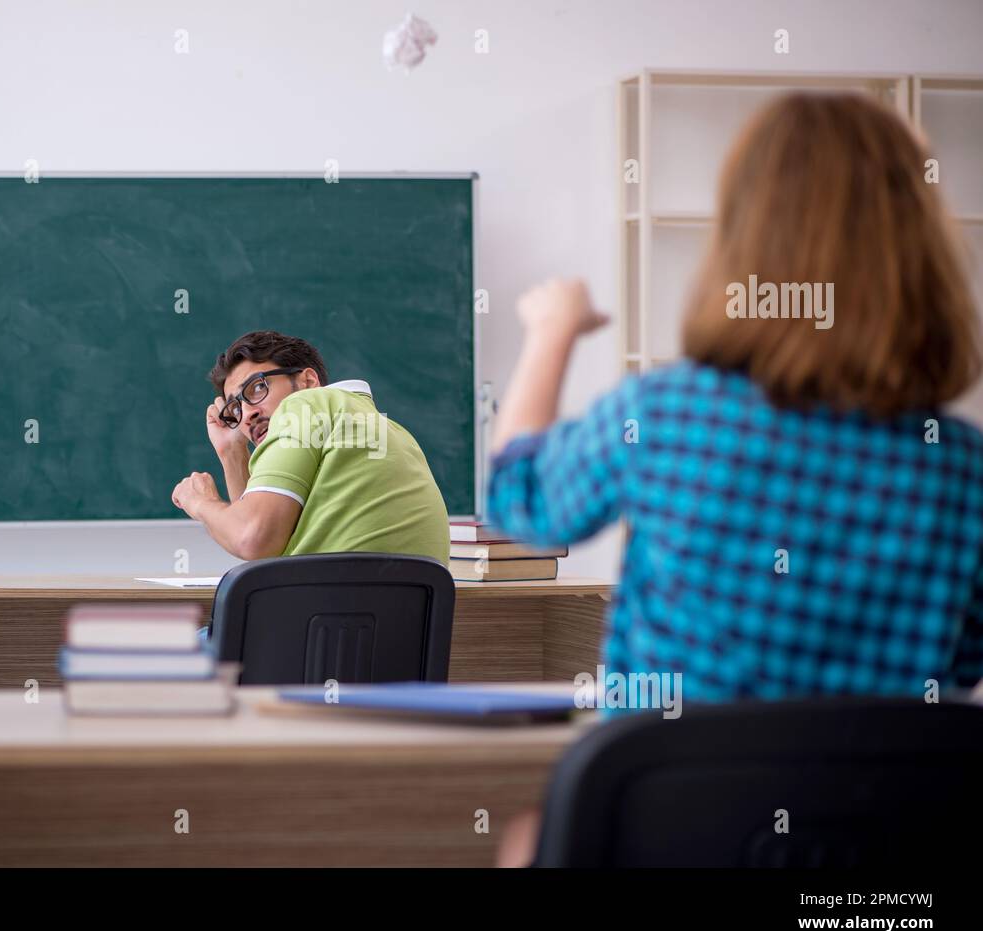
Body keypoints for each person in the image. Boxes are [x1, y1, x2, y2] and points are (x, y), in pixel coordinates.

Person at [486, 92, 983, 866]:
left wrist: (551, 332)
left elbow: (521, 501)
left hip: (668, 847)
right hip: (873, 889)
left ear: (744, 242)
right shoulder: (962, 463)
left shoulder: (671, 413)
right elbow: (957, 665)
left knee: (525, 837)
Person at [170, 330, 450, 566]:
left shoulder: (303, 406)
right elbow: (265, 558)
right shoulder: (392, 433)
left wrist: (200, 502)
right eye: (235, 408)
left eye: (256, 388)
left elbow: (252, 538)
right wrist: (232, 454)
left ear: (308, 382)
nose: (246, 415)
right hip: (400, 628)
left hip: (322, 623)